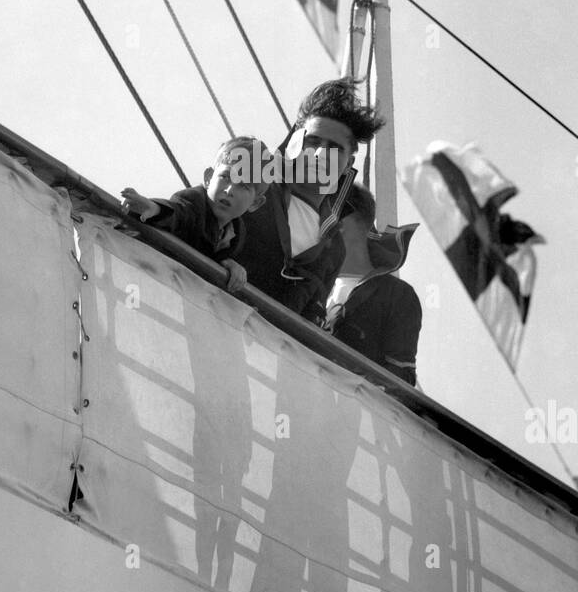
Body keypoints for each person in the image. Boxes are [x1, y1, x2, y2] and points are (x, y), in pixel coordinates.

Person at [237, 78, 385, 325]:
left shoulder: (334, 248)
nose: (320, 154)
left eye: (335, 148)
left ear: (348, 164)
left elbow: (309, 318)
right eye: (313, 141)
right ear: (295, 142)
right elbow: (192, 214)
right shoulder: (251, 188)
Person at [120, 136, 272, 292]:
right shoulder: (194, 202)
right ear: (209, 178)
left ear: (255, 203)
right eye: (225, 177)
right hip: (137, 274)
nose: (229, 190)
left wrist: (225, 263)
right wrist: (155, 209)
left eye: (243, 186)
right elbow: (179, 213)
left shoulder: (235, 234)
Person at [324, 184, 422, 386]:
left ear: (344, 222)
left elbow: (401, 379)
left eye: (326, 213)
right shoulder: (312, 285)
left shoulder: (396, 294)